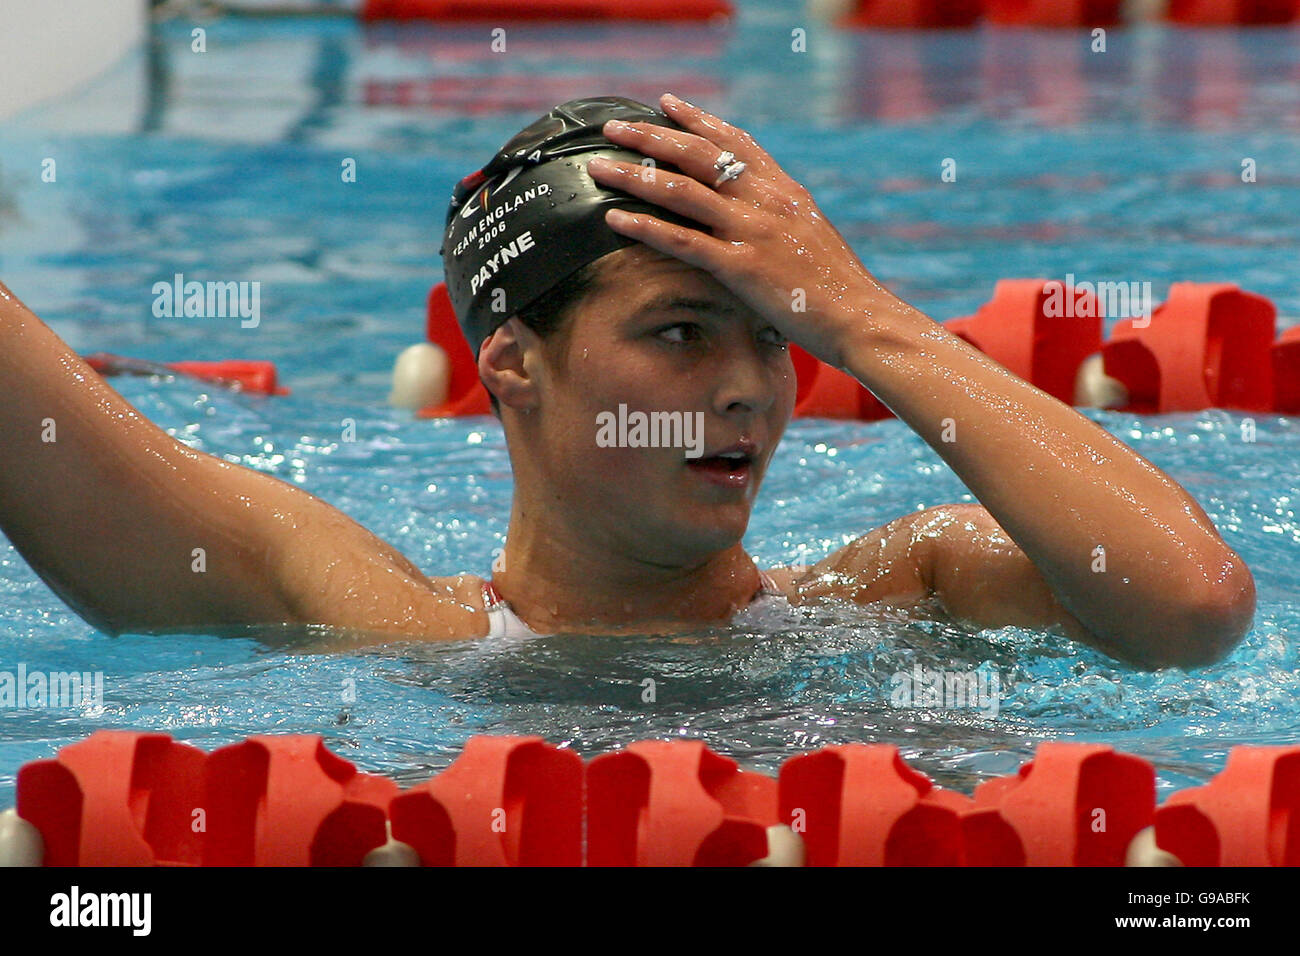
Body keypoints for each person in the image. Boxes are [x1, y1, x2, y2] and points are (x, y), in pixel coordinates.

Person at [0, 94, 1254, 669]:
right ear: (510, 364)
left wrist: (864, 320)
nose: (749, 388)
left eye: (771, 333)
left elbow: (1194, 606)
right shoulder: (390, 626)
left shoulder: (903, 595)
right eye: (680, 334)